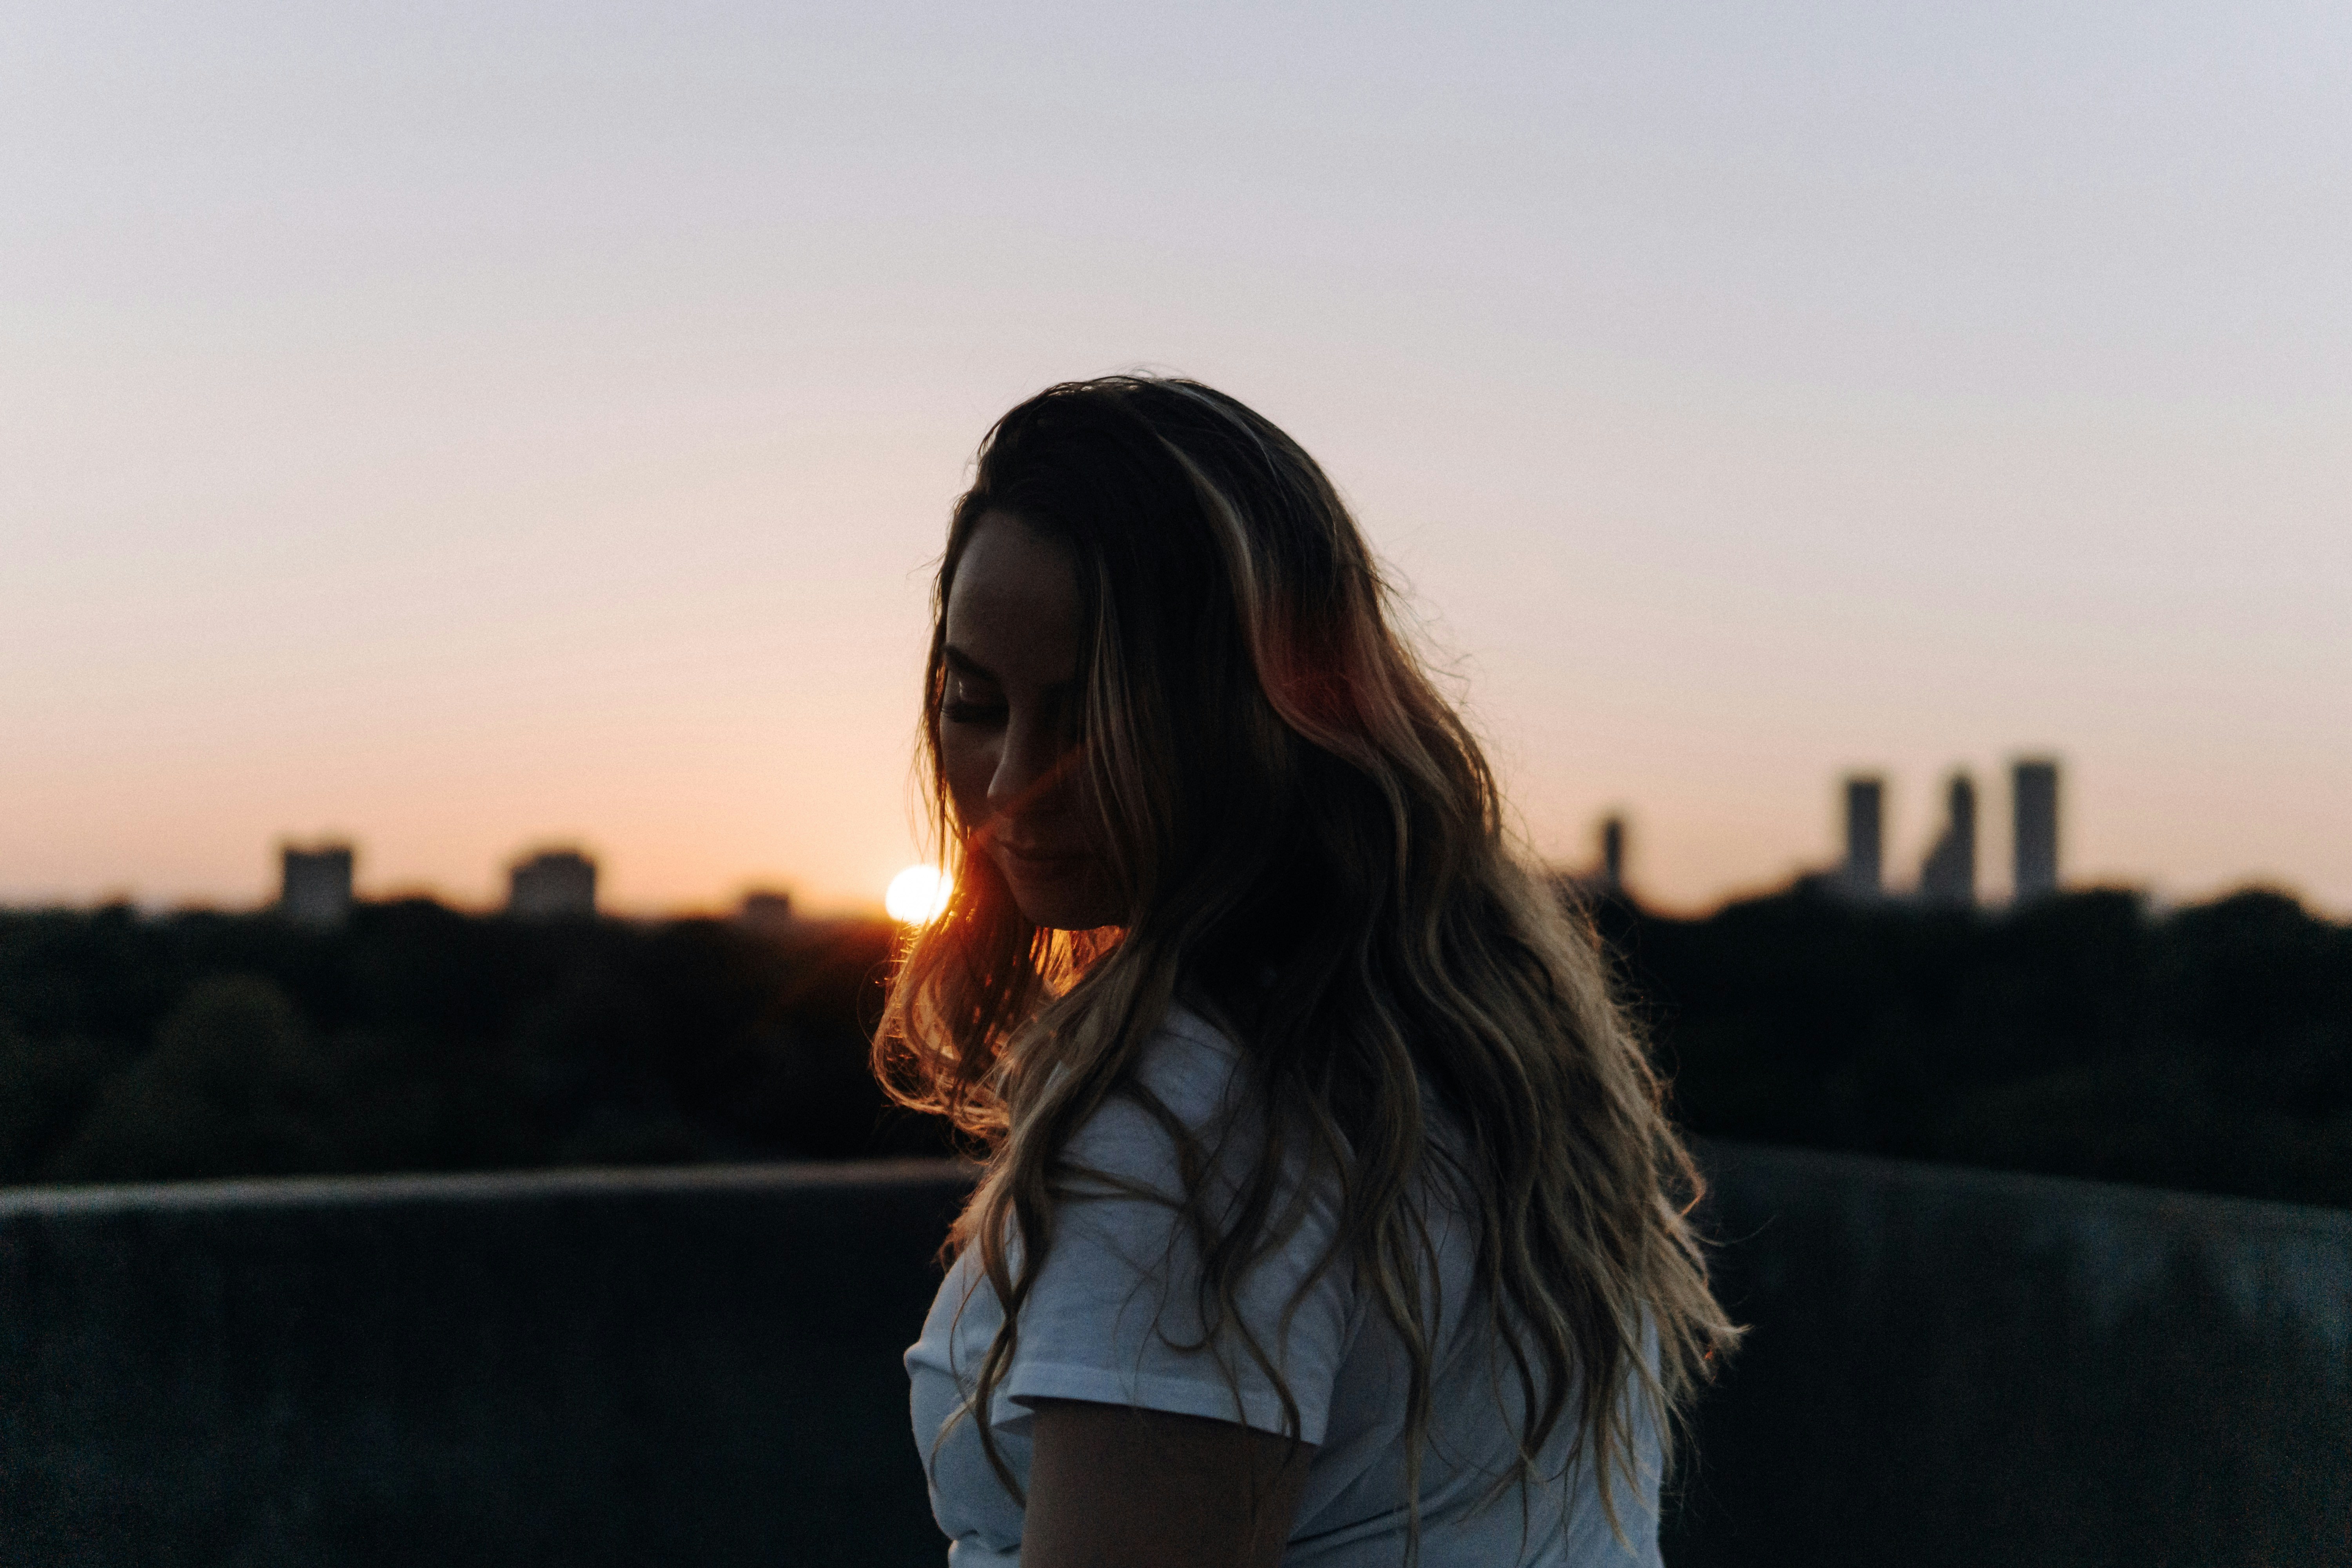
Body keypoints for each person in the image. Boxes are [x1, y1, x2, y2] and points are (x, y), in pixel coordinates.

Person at [881, 376, 1739, 1568]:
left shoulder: (1193, 1114)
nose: (1014, 778)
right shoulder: (1445, 1036)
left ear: (1255, 711)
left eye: (1094, 719)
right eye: (973, 703)